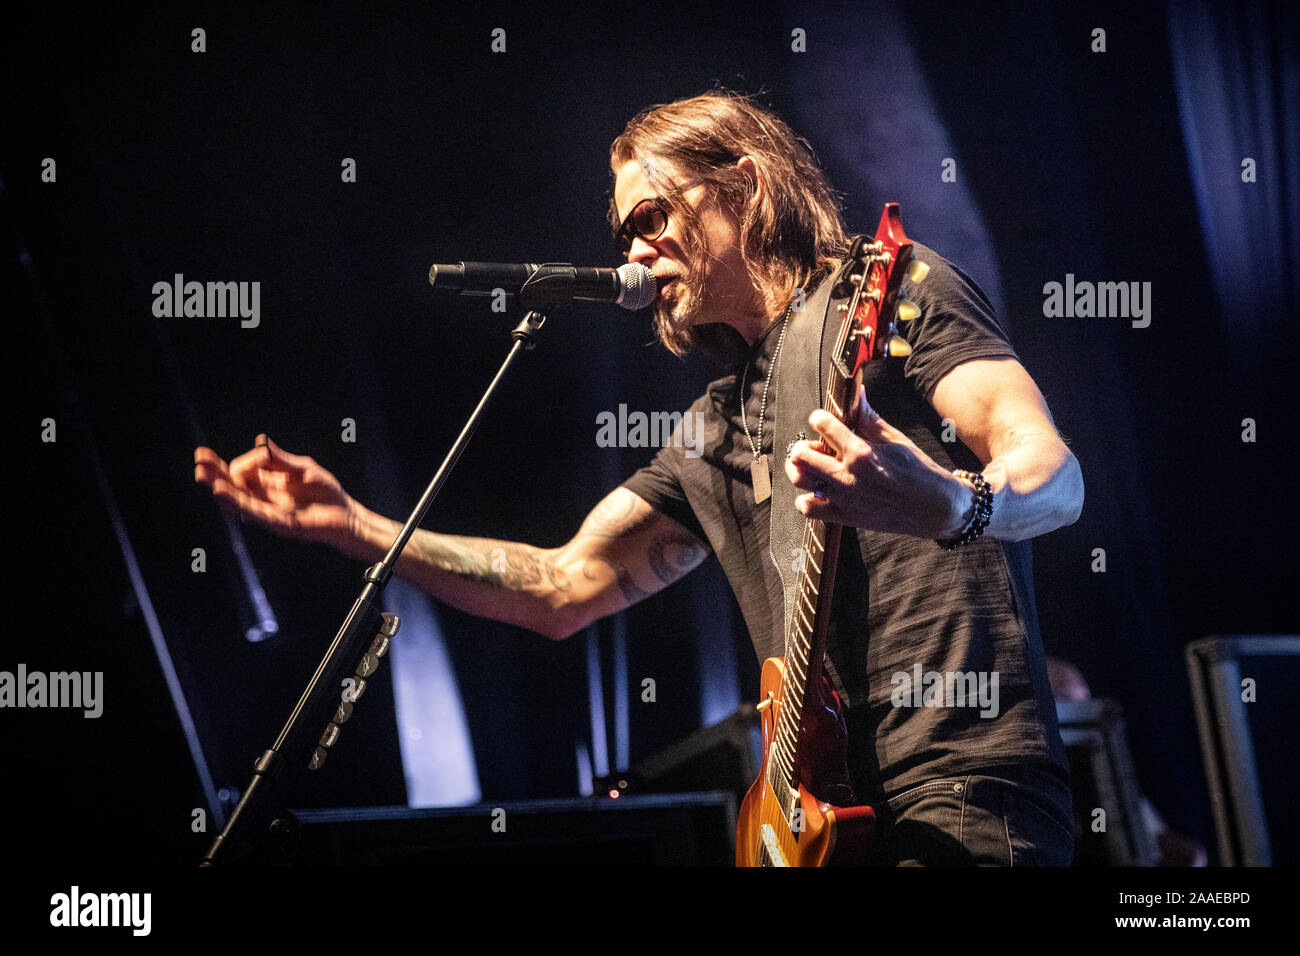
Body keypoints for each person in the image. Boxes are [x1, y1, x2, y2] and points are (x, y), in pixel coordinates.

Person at [194, 91, 1084, 866]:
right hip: (817, 815)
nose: (636, 252)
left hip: (960, 782)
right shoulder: (716, 425)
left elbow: (1054, 475)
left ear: (746, 183)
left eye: (650, 217)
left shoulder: (894, 292)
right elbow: (562, 585)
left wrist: (950, 505)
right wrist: (356, 526)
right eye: (623, 235)